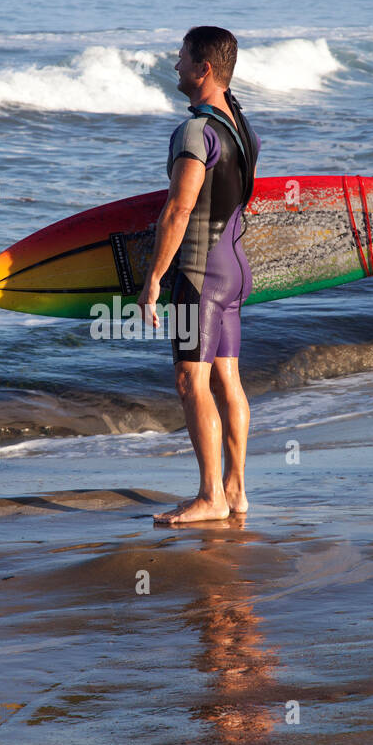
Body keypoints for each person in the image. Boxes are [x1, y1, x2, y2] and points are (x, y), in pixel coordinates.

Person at [137, 26, 260, 525]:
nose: (175, 65)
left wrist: (152, 280)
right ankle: (235, 490)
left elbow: (179, 210)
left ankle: (210, 496)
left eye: (182, 57)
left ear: (203, 68)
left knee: (192, 380)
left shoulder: (195, 132)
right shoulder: (242, 127)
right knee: (227, 377)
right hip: (233, 269)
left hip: (199, 273)